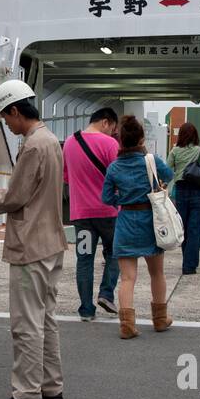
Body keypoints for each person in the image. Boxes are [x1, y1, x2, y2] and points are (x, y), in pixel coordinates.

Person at [0, 80, 67, 399]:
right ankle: (51, 386)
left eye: (6, 118)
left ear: (15, 110)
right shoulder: (51, 140)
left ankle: (27, 393)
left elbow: (16, 197)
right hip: (52, 241)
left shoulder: (32, 146)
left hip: (30, 245)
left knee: (26, 322)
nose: (8, 125)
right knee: (46, 318)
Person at [100, 115, 175, 338]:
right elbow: (169, 175)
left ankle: (127, 324)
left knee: (127, 278)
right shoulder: (151, 160)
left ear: (121, 141)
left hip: (125, 222)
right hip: (150, 222)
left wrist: (121, 200)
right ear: (141, 139)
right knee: (156, 273)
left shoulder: (114, 168)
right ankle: (160, 319)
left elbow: (106, 198)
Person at [61, 107, 120, 320]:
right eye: (112, 128)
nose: (112, 133)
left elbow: (66, 177)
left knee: (84, 259)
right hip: (108, 214)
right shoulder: (110, 144)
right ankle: (106, 293)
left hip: (81, 216)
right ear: (105, 122)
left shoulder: (69, 142)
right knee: (115, 253)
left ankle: (86, 309)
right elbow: (118, 177)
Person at [167, 122, 200, 275]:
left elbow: (167, 172)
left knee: (183, 228)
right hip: (199, 193)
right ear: (195, 136)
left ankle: (189, 260)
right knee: (195, 229)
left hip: (181, 191)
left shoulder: (175, 151)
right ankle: (189, 264)